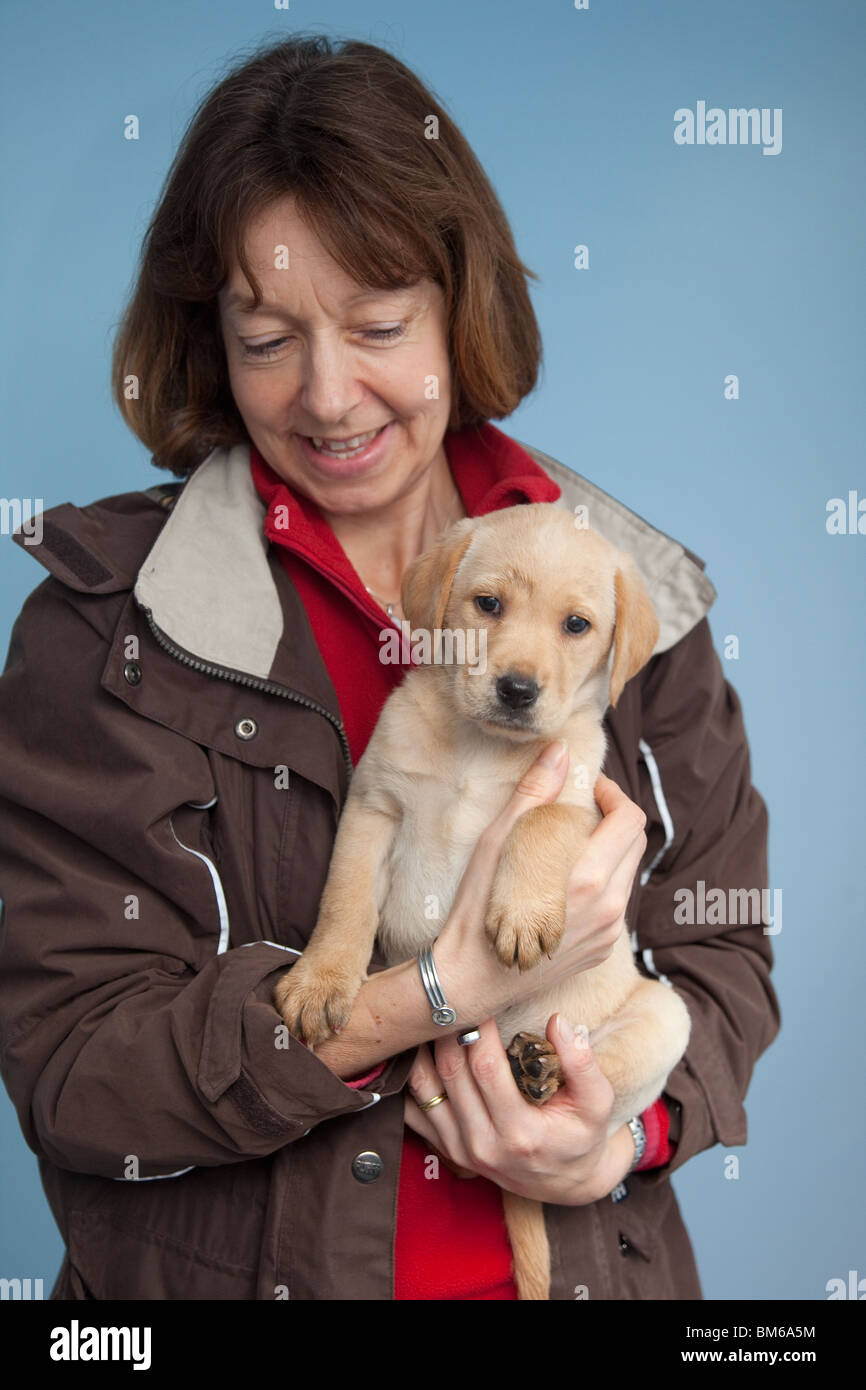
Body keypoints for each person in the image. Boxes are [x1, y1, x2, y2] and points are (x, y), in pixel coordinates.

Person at [0, 33, 779, 1301]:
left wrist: (611, 1141)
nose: (327, 394)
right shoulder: (113, 620)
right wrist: (420, 997)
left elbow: (722, 954)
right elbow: (74, 1069)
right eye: (265, 339)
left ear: (457, 308)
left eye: (376, 325)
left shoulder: (624, 593)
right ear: (208, 337)